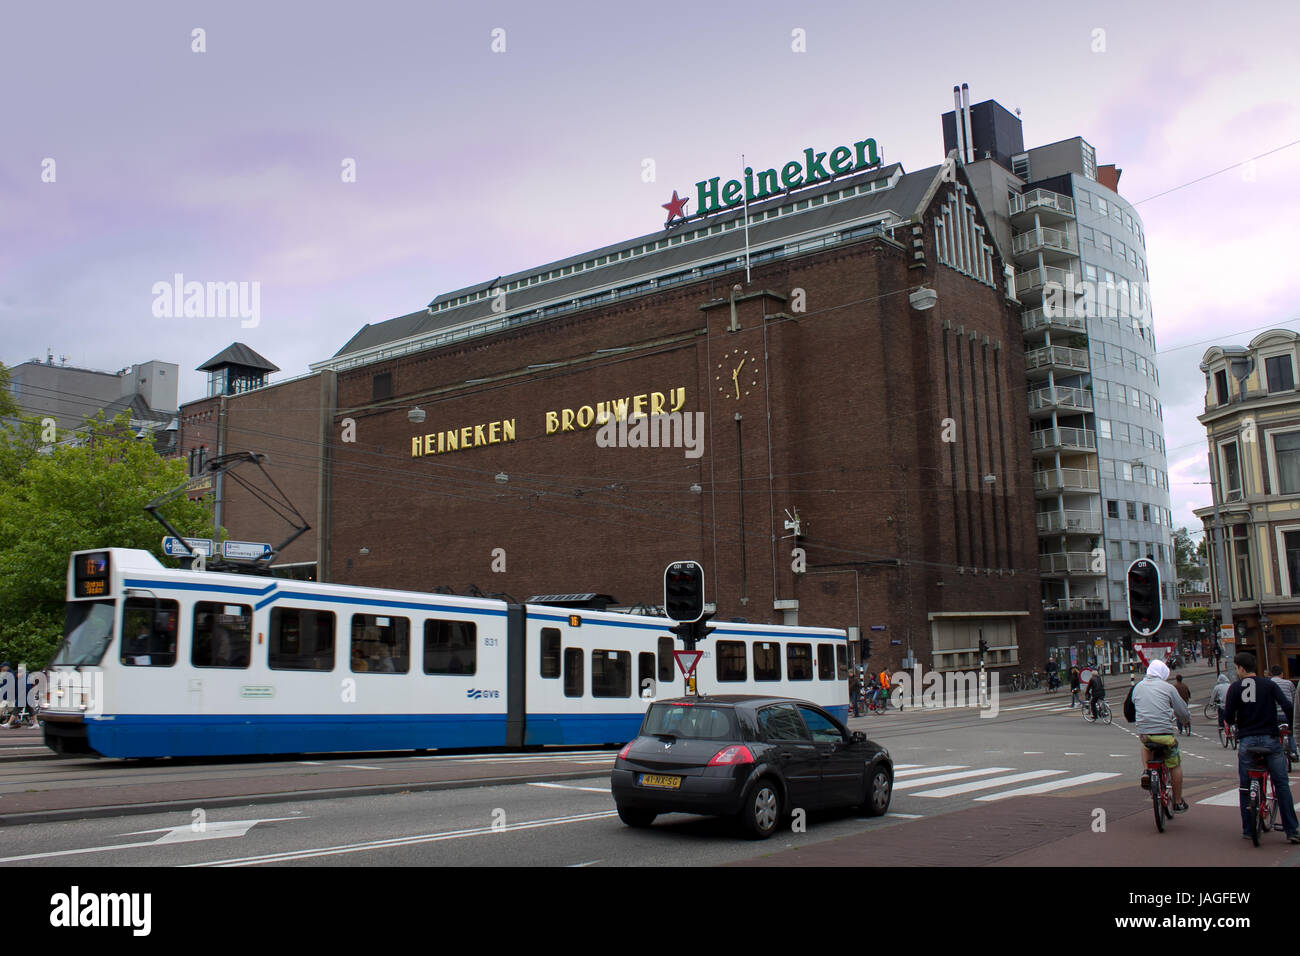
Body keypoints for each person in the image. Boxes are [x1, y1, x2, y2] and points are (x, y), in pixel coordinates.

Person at [1224, 652, 1300, 842]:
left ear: (1241, 668)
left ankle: (1248, 829)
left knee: (1244, 786)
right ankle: (1292, 830)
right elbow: (1287, 706)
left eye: (1236, 667)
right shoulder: (1269, 684)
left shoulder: (1234, 688)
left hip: (1247, 741)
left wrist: (1235, 720)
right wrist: (1289, 725)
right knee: (1282, 784)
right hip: (1270, 739)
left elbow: (1227, 716)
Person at [1132, 659, 1191, 813]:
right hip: (1165, 734)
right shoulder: (1168, 688)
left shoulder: (1137, 688)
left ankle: (1146, 770)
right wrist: (1184, 720)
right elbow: (1183, 712)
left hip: (1146, 734)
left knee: (1145, 745)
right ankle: (1177, 801)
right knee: (1175, 765)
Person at [1269, 665, 1298, 763]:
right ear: (1282, 673)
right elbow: (1294, 699)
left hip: (1274, 716)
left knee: (1274, 735)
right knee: (1290, 733)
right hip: (1287, 714)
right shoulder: (1289, 683)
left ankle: (1276, 754)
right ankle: (1294, 753)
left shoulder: (1269, 683)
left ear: (1271, 674)